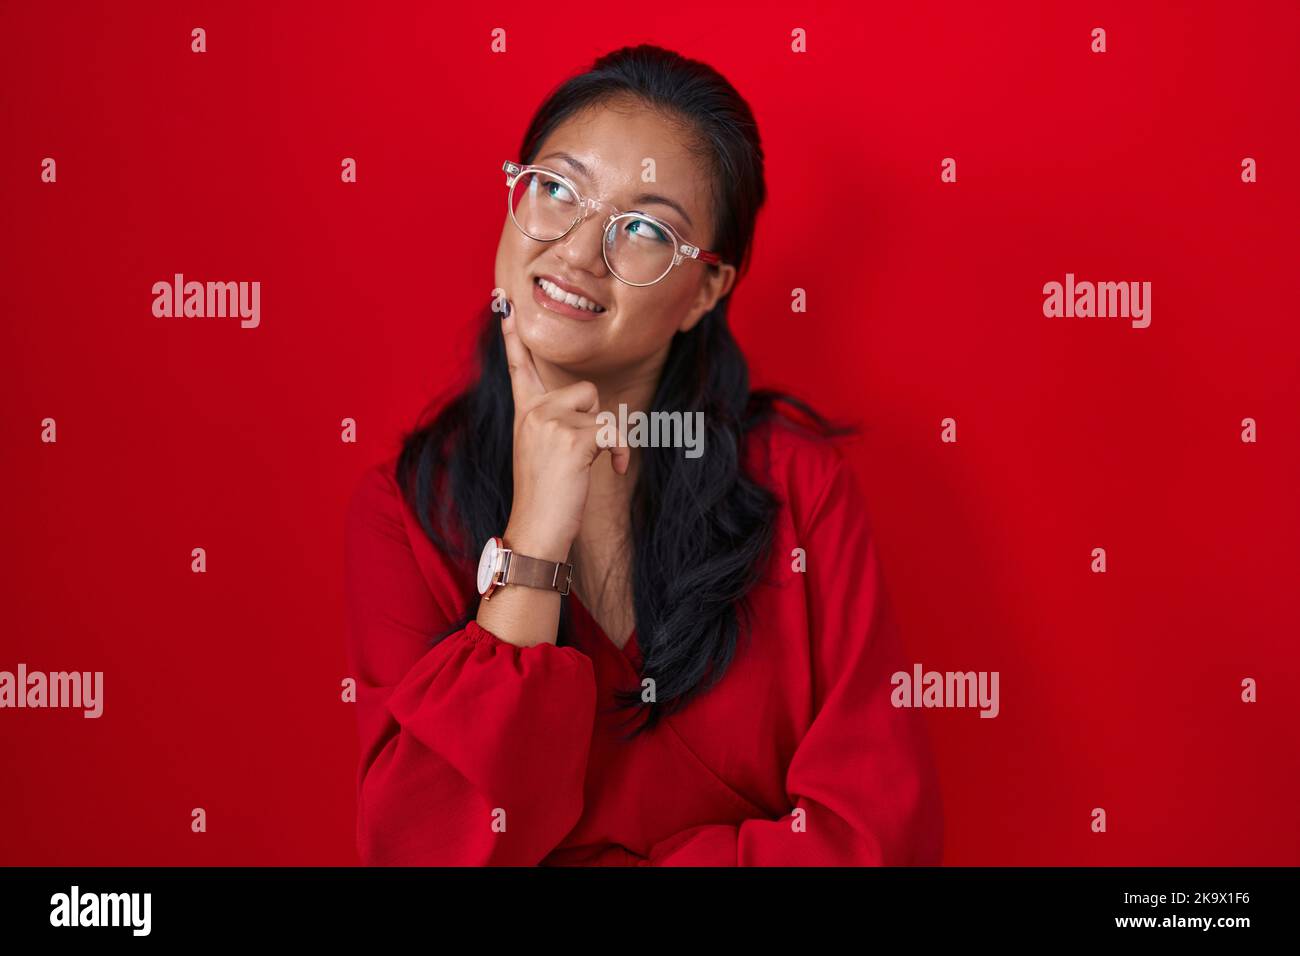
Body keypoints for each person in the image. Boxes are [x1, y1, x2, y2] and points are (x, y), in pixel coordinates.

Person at [343, 44, 943, 865]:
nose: (579, 252)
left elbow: (880, 840)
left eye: (645, 229)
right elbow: (423, 850)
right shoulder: (409, 508)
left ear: (705, 290)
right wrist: (533, 548)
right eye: (556, 188)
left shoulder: (800, 486)